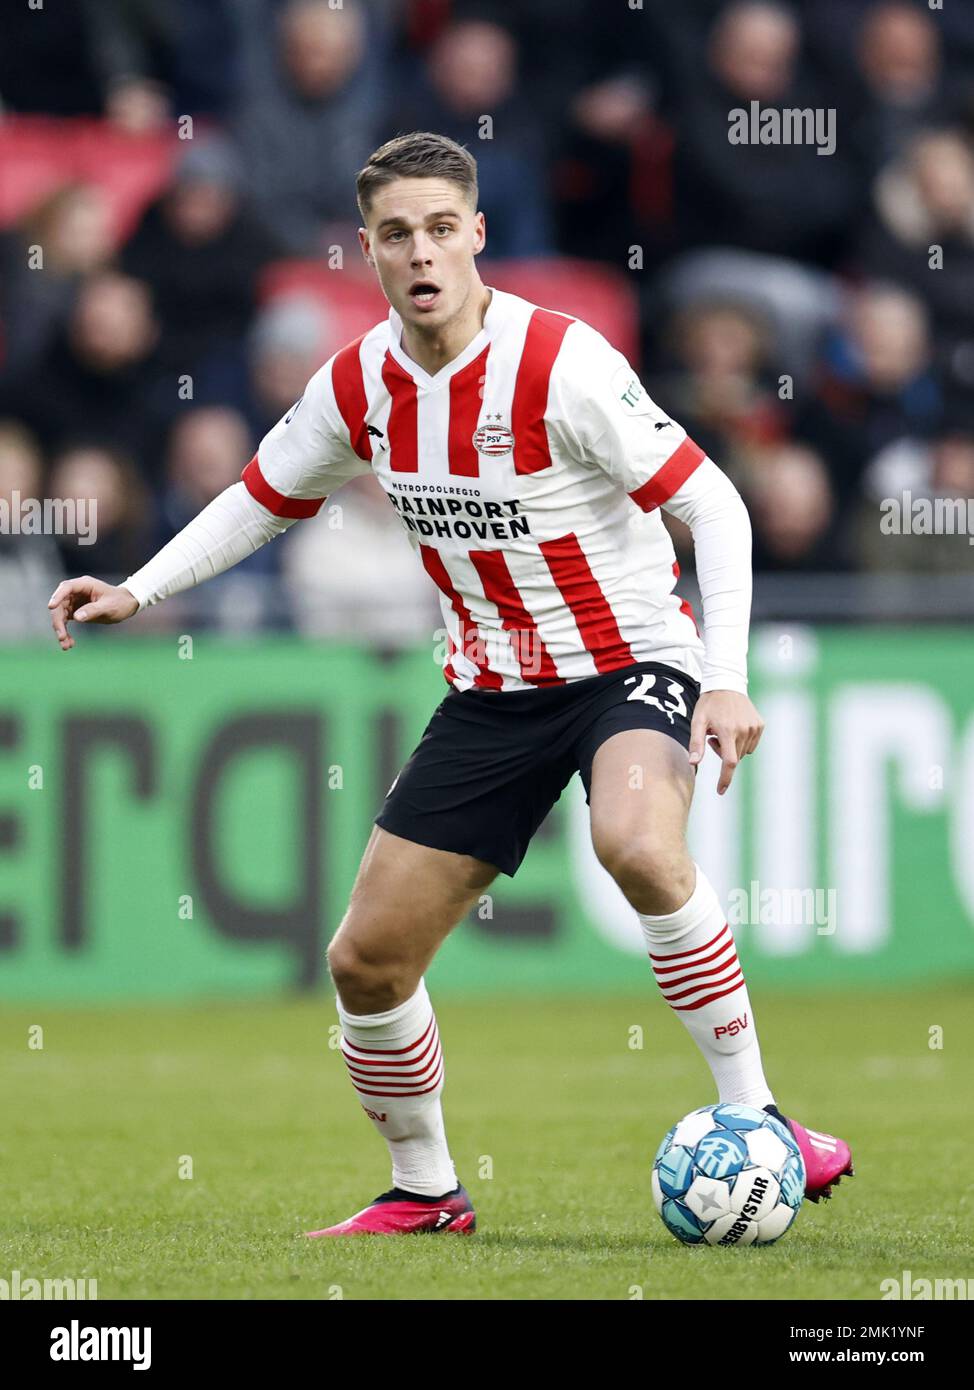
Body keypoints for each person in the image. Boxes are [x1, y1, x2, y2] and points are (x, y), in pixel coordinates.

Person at [48, 131, 853, 1238]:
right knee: (364, 962)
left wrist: (723, 675)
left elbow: (711, 502)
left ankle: (761, 1116)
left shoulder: (558, 363)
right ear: (367, 250)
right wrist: (137, 588)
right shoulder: (358, 383)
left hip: (629, 660)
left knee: (635, 842)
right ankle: (426, 1189)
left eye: (439, 228)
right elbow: (257, 497)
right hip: (490, 690)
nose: (419, 252)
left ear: (476, 234)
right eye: (394, 234)